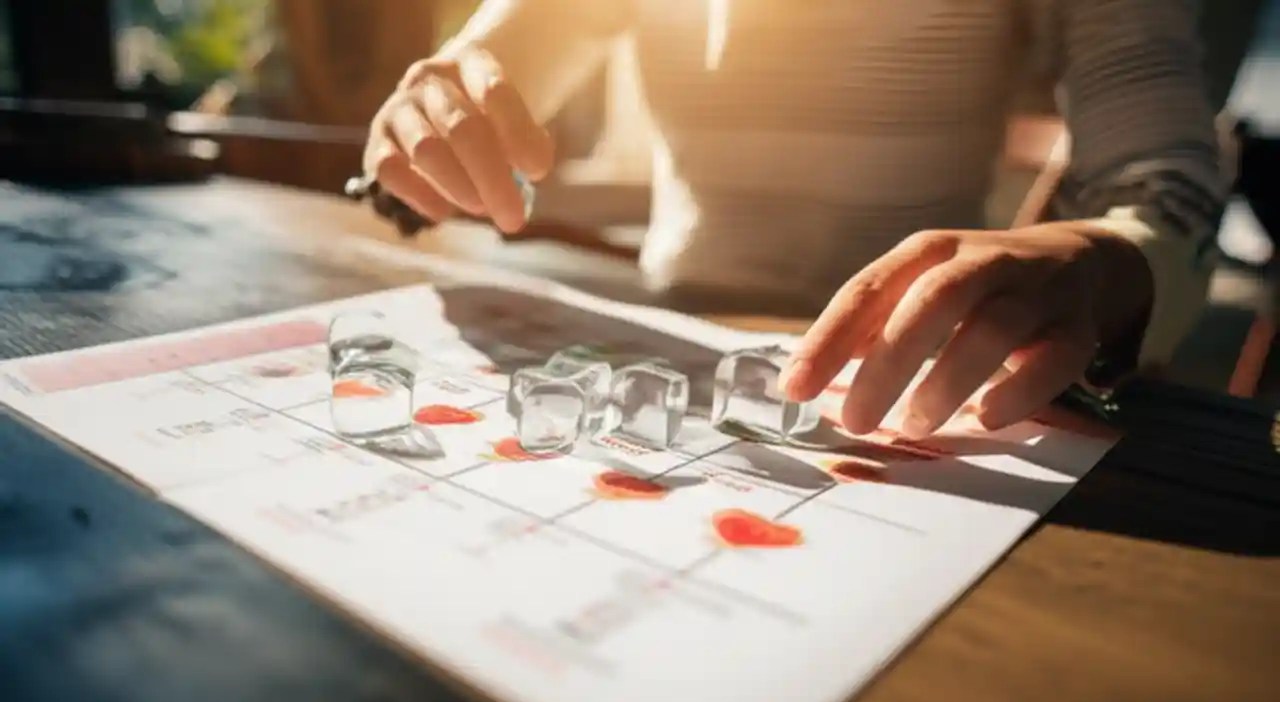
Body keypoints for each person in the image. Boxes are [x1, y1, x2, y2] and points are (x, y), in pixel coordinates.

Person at [360, 0, 1226, 438]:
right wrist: (431, 113)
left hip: (915, 386)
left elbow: (1170, 189)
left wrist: (1094, 256)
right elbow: (486, 74)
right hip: (663, 338)